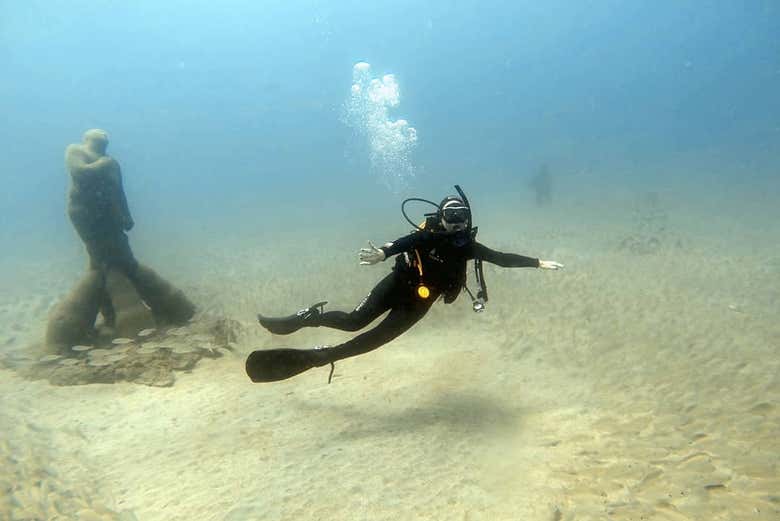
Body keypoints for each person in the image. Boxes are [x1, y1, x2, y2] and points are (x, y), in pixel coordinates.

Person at [246, 185, 563, 383]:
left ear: (469, 218)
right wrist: (382, 253)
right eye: (451, 216)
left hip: (420, 302)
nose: (457, 223)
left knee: (373, 341)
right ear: (440, 217)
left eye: (462, 216)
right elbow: (401, 242)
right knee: (354, 322)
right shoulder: (426, 235)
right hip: (397, 286)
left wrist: (537, 263)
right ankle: (309, 317)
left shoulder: (468, 247)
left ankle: (321, 357)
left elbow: (501, 258)